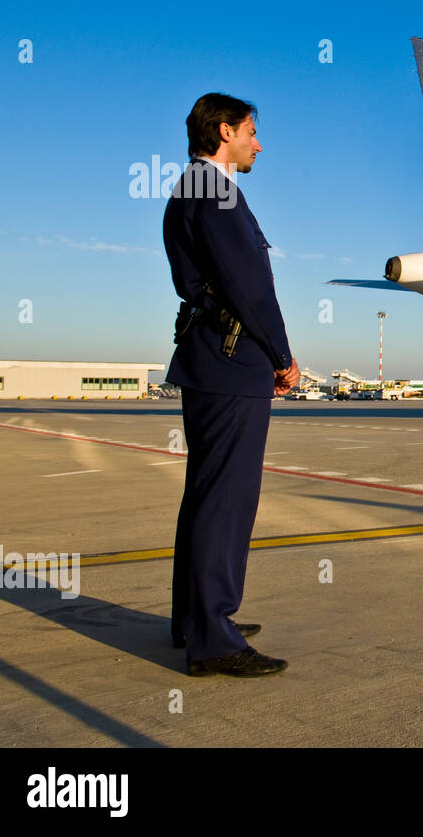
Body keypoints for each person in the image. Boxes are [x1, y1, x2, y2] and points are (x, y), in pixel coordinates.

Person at [162, 93, 299, 677]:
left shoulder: (187, 187)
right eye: (250, 133)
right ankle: (214, 638)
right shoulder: (215, 191)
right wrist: (283, 354)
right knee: (228, 498)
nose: (257, 144)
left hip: (208, 355)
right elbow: (250, 286)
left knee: (205, 494)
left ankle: (196, 620)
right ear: (224, 131)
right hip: (232, 355)